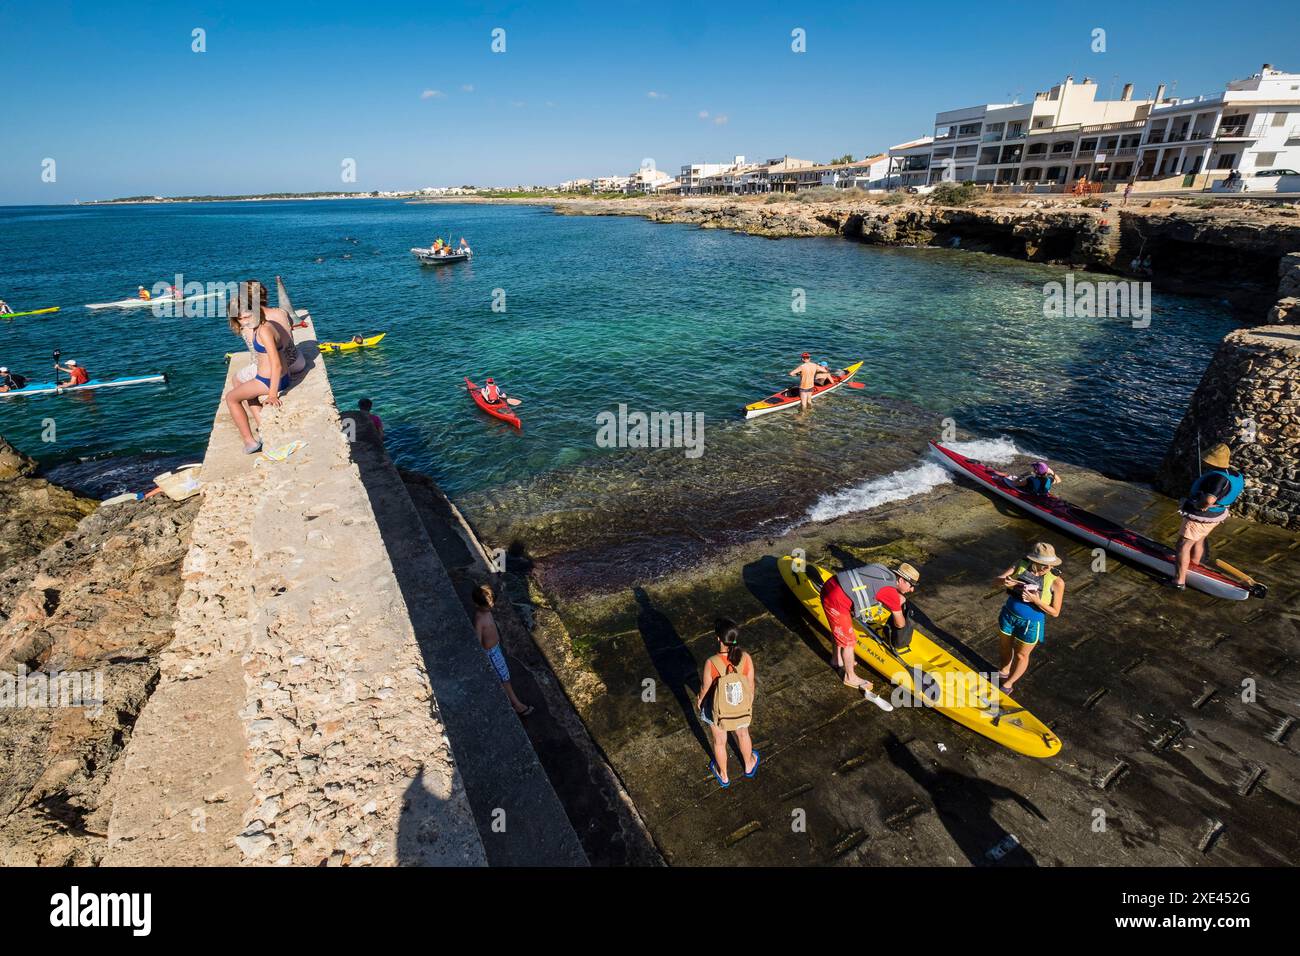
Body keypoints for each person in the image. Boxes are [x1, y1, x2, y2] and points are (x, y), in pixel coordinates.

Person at [820, 561, 921, 692]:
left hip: (831, 584)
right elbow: (900, 623)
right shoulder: (889, 592)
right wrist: (897, 606)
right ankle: (850, 677)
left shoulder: (882, 569)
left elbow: (872, 586)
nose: (912, 589)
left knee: (839, 631)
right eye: (911, 585)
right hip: (836, 600)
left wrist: (897, 598)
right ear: (901, 580)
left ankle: (836, 660)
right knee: (849, 641)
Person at [1169, 443, 1244, 591]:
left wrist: (1198, 505)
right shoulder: (1236, 474)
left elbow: (1209, 500)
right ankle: (1194, 565)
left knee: (1183, 545)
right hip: (1218, 515)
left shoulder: (1218, 479)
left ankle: (1179, 581)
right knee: (1200, 538)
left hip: (1202, 516)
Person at [223, 286, 289, 454]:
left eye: (248, 316)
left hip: (270, 381)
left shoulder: (264, 331)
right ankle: (264, 427)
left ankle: (250, 442)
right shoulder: (261, 326)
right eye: (240, 319)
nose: (245, 321)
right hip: (271, 378)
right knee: (243, 388)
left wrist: (273, 394)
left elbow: (276, 363)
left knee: (231, 398)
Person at [695, 618, 758, 788]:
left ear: (718, 639)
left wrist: (700, 701)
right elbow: (750, 685)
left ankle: (723, 776)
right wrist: (748, 703)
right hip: (740, 706)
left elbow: (705, 689)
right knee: (743, 734)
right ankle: (749, 764)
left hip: (718, 710)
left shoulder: (711, 662)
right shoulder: (745, 658)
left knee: (719, 741)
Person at [995, 543, 1065, 694]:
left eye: (1050, 564)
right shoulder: (1020, 565)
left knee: (1021, 655)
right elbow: (996, 581)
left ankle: (1008, 684)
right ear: (1033, 560)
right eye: (1043, 564)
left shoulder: (1057, 582)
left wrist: (1036, 600)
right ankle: (1004, 670)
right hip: (1008, 615)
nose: (1047, 568)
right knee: (1004, 647)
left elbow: (1055, 612)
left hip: (1030, 623)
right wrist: (1005, 581)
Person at [471, 584, 534, 717]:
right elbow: (477, 641)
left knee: (504, 676)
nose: (491, 607)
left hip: (496, 650)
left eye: (492, 604)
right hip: (492, 654)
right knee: (504, 678)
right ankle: (517, 705)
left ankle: (514, 702)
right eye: (488, 605)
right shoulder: (479, 619)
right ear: (478, 604)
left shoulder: (486, 612)